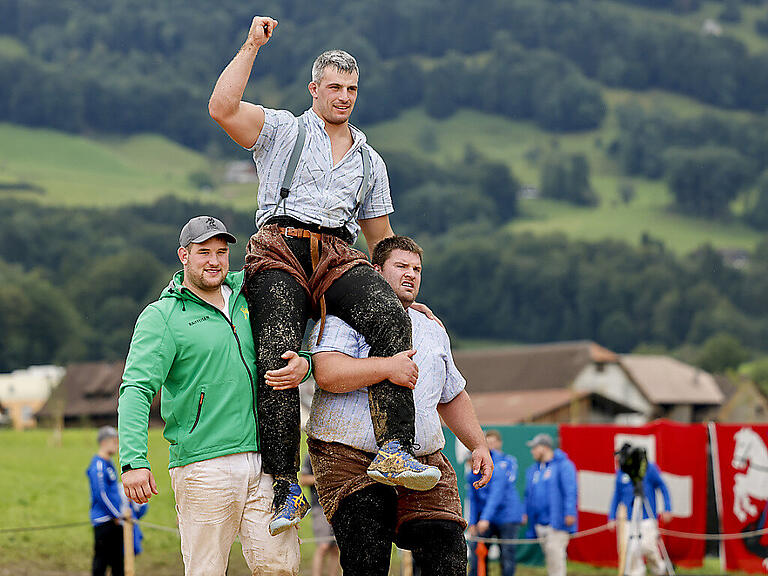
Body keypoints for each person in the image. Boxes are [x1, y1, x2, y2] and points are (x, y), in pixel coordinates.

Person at [208, 17, 441, 535]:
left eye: (351, 89)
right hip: (280, 246)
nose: (343, 97)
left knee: (387, 319)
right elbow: (221, 108)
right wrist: (251, 46)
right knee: (280, 355)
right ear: (314, 89)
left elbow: (380, 238)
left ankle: (395, 449)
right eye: (334, 87)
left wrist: (399, 288)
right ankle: (287, 485)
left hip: (339, 251)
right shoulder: (283, 129)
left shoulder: (370, 159)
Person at [118, 216, 310, 576]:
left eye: (221, 252)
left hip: (268, 463)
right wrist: (133, 461)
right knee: (206, 571)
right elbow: (136, 389)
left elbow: (297, 323)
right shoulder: (163, 316)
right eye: (203, 252)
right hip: (204, 466)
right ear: (183, 256)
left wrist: (308, 364)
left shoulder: (249, 294)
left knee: (280, 567)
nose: (214, 261)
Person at [299, 235, 494, 576]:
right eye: (401, 266)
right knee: (368, 557)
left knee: (447, 549)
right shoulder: (344, 316)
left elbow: (452, 394)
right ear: (375, 271)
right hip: (350, 458)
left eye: (417, 268)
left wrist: (477, 444)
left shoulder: (432, 328)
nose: (411, 274)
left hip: (422, 459)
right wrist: (387, 367)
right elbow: (327, 373)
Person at [608, 445, 672, 576]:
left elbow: (663, 487)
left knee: (648, 547)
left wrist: (667, 508)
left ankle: (660, 569)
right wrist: (611, 517)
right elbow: (616, 495)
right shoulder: (621, 472)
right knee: (631, 552)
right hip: (628, 518)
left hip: (647, 517)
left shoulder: (649, 468)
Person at [467, 429, 524, 576]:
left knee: (506, 554)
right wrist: (473, 522)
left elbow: (496, 495)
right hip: (488, 517)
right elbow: (473, 499)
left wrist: (485, 518)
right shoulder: (471, 473)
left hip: (507, 516)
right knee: (478, 551)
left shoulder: (501, 465)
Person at [523, 433, 578, 576]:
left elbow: (570, 490)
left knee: (556, 559)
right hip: (540, 523)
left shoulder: (563, 465)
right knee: (550, 559)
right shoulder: (534, 470)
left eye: (534, 448)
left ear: (544, 447)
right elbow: (528, 495)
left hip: (557, 522)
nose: (532, 451)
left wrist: (569, 512)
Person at [87, 426, 125, 576]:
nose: (117, 445)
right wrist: (116, 514)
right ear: (104, 442)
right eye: (114, 442)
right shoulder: (98, 465)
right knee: (101, 563)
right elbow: (100, 494)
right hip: (105, 521)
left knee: (117, 563)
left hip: (115, 520)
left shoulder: (109, 463)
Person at [300, 454, 341, 576]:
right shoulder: (311, 455)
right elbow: (303, 479)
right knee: (323, 546)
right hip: (320, 507)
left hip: (338, 507)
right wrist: (323, 479)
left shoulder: (338, 454)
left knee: (336, 549)